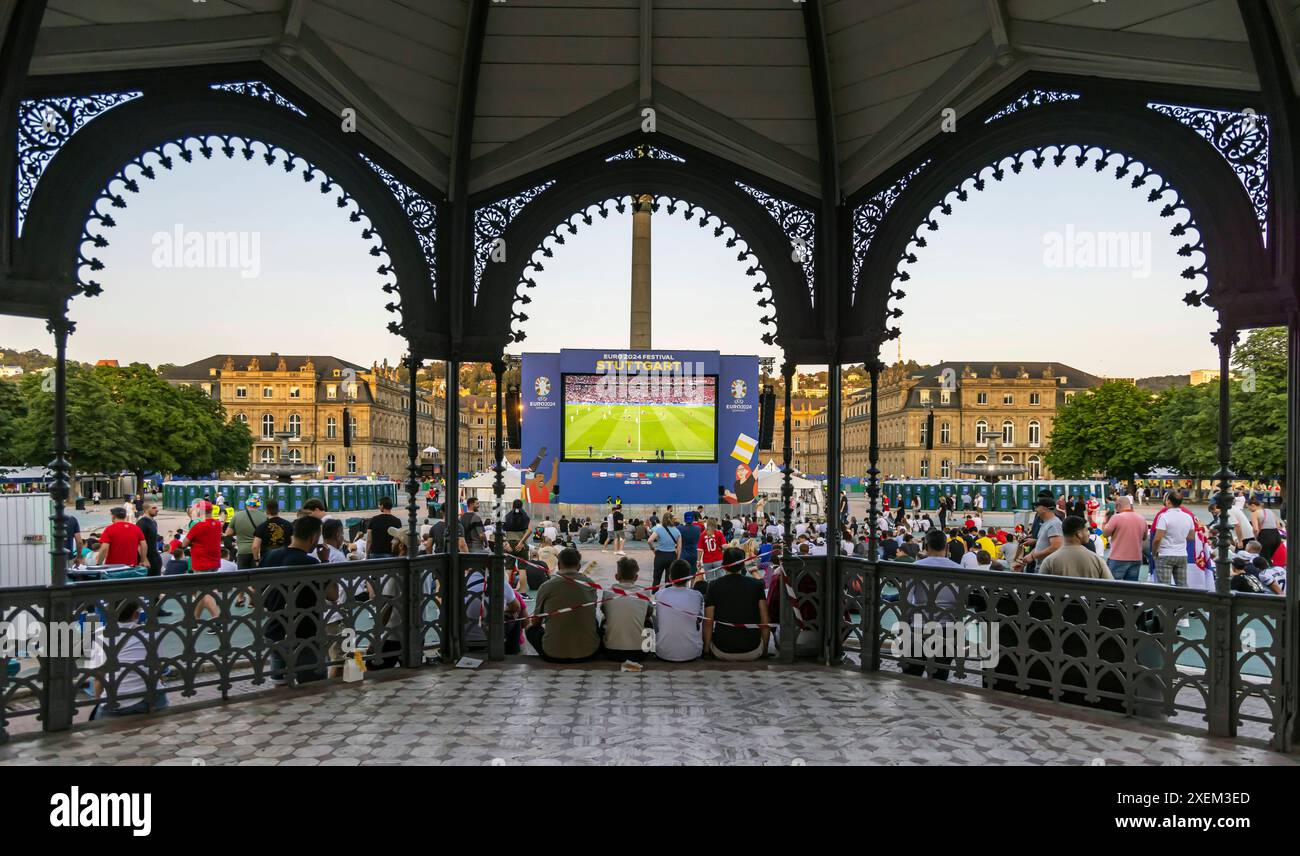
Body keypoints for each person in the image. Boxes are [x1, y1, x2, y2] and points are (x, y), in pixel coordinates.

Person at [261, 515, 329, 684]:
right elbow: (332, 595)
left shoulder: (270, 556)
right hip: (304, 634)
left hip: (275, 630)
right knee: (313, 686)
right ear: (314, 538)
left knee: (280, 683)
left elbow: (259, 592)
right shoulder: (310, 563)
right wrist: (325, 562)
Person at [88, 597, 167, 719]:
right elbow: (158, 667)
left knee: (95, 721)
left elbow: (99, 677)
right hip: (151, 698)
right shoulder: (151, 632)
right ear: (136, 615)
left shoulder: (101, 634)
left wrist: (98, 701)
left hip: (116, 702)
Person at [525, 547, 600, 662]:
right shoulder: (590, 583)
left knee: (530, 630)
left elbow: (536, 622)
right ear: (579, 566)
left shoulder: (546, 586)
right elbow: (591, 611)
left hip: (552, 654)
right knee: (594, 621)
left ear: (559, 565)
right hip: (588, 653)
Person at [703, 547, 769, 661]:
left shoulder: (714, 585)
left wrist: (706, 651)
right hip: (753, 649)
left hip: (721, 649)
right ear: (742, 565)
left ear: (723, 565)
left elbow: (708, 621)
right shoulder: (757, 585)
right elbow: (765, 620)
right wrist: (765, 651)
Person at [601, 557, 651, 661]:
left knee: (604, 619)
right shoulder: (644, 593)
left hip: (611, 652)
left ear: (616, 576)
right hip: (640, 653)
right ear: (636, 577)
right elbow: (649, 613)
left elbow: (604, 612)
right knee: (649, 621)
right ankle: (651, 648)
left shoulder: (608, 593)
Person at [654, 559, 705, 662]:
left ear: (670, 577)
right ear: (689, 578)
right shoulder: (697, 596)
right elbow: (700, 619)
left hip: (663, 652)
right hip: (692, 652)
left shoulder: (659, 595)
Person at [184, 507, 224, 626]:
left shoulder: (198, 525)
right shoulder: (217, 524)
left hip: (201, 563)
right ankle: (194, 619)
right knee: (201, 592)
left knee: (205, 593)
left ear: (200, 512)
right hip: (214, 562)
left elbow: (184, 543)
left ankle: (218, 620)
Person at [1039, 516, 1114, 579]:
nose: (1088, 533)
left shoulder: (1049, 561)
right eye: (1086, 530)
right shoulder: (1096, 560)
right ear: (1079, 534)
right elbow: (1111, 584)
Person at [1151, 490, 1195, 587]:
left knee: (1164, 586)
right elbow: (1191, 536)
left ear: (1168, 501)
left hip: (1165, 553)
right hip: (1182, 554)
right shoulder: (1188, 517)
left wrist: (1154, 553)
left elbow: (1157, 538)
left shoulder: (1164, 517)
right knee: (1182, 585)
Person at [1102, 495, 1147, 581]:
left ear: (1118, 506)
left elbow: (1105, 534)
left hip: (1118, 558)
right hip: (1136, 558)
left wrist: (1104, 522)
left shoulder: (1116, 518)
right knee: (1131, 587)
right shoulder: (1142, 518)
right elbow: (1144, 537)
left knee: (1112, 586)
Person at [1015, 498, 1063, 572]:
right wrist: (1030, 555)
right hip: (1041, 567)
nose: (1035, 509)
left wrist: (1033, 556)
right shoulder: (1046, 523)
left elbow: (1055, 547)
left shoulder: (1054, 524)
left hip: (1048, 569)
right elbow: (1041, 545)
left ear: (1044, 509)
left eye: (1037, 507)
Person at [228, 495, 266, 571]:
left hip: (242, 551)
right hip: (258, 551)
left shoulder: (237, 515)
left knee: (243, 577)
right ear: (258, 504)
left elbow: (228, 533)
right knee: (256, 577)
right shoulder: (264, 517)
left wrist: (238, 531)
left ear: (247, 503)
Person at [647, 511, 682, 590]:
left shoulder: (659, 529)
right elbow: (679, 547)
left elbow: (649, 541)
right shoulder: (677, 531)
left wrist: (653, 549)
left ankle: (654, 594)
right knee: (669, 578)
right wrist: (677, 558)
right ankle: (667, 594)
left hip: (660, 555)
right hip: (672, 555)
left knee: (656, 577)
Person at [252, 499, 293, 565]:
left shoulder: (262, 527)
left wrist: (256, 560)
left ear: (266, 511)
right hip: (284, 559)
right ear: (278, 509)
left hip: (267, 560)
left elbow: (255, 546)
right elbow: (294, 543)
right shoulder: (288, 525)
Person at [1248, 496, 1282, 562]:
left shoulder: (1255, 513)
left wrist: (1256, 538)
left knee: (1264, 559)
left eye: (1249, 508)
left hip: (1265, 536)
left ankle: (1265, 571)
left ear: (1253, 505)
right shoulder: (1270, 511)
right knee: (1273, 558)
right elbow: (1278, 526)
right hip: (1276, 535)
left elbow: (1255, 529)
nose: (1249, 510)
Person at [135, 501, 163, 577]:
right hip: (147, 560)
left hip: (155, 558)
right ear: (146, 510)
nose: (157, 510)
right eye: (154, 508)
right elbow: (138, 544)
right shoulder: (142, 523)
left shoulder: (153, 522)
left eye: (157, 508)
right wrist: (144, 560)